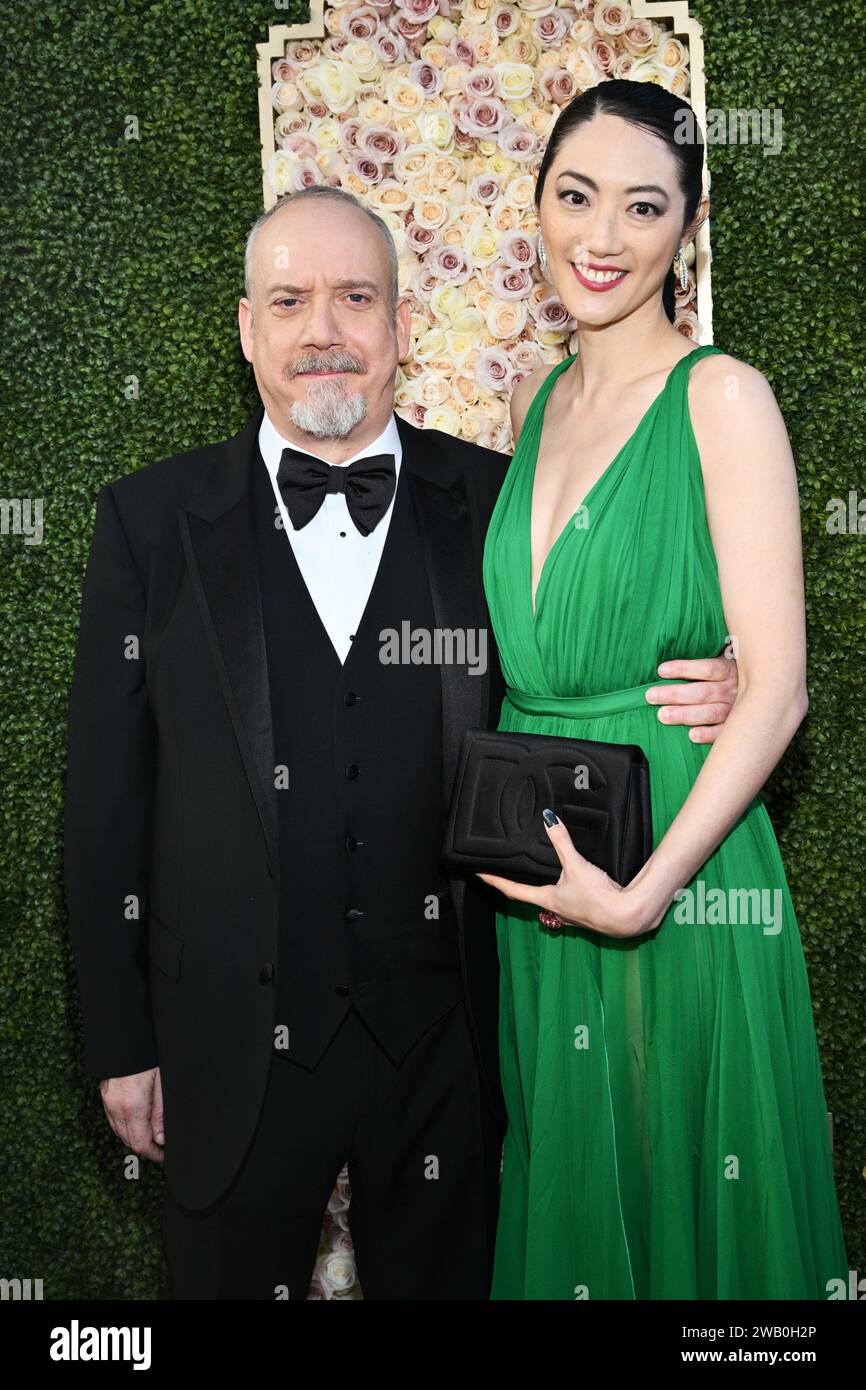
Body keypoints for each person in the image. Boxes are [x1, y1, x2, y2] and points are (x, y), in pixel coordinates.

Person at [63, 182, 738, 1300]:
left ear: (400, 325)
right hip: (227, 1043)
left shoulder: (496, 499)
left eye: (355, 297)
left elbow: (592, 659)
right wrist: (121, 1042)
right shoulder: (148, 523)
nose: (322, 330)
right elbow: (104, 803)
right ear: (245, 327)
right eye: (289, 301)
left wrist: (722, 677)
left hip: (448, 1046)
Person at [476, 81, 849, 1300]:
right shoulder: (533, 406)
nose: (601, 237)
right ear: (534, 205)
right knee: (577, 1183)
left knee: (685, 1197)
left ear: (683, 229)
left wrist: (637, 898)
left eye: (642, 207)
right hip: (544, 883)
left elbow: (778, 687)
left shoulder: (720, 398)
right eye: (575, 196)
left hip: (674, 873)